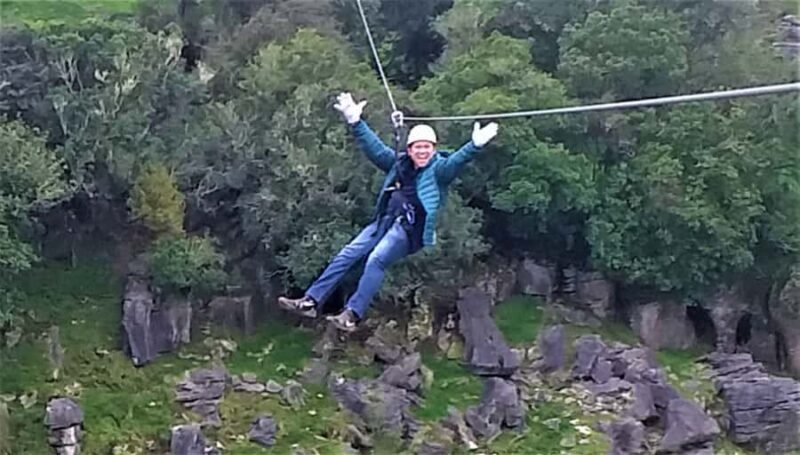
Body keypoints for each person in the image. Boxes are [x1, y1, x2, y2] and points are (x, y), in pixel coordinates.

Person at [278, 92, 499, 332]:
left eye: (427, 147)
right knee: (346, 255)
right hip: (386, 221)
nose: (422, 152)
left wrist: (474, 146)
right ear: (410, 149)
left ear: (434, 150)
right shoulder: (399, 164)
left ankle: (352, 314)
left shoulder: (440, 171)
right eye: (418, 147)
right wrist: (355, 122)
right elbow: (376, 150)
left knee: (376, 260)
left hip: (409, 231)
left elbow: (456, 162)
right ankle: (310, 301)